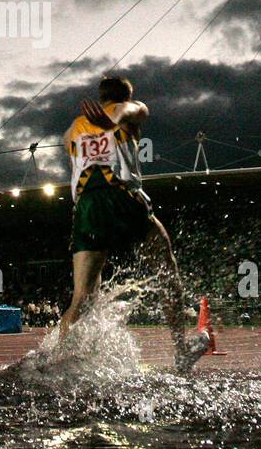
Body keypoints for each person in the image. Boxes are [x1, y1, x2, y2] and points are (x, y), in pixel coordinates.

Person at [61, 75, 210, 372]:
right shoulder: (129, 110)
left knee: (82, 297)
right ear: (127, 95)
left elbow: (71, 150)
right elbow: (129, 113)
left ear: (100, 96)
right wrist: (114, 122)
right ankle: (180, 349)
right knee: (167, 267)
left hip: (86, 207)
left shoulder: (73, 129)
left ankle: (56, 360)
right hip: (121, 196)